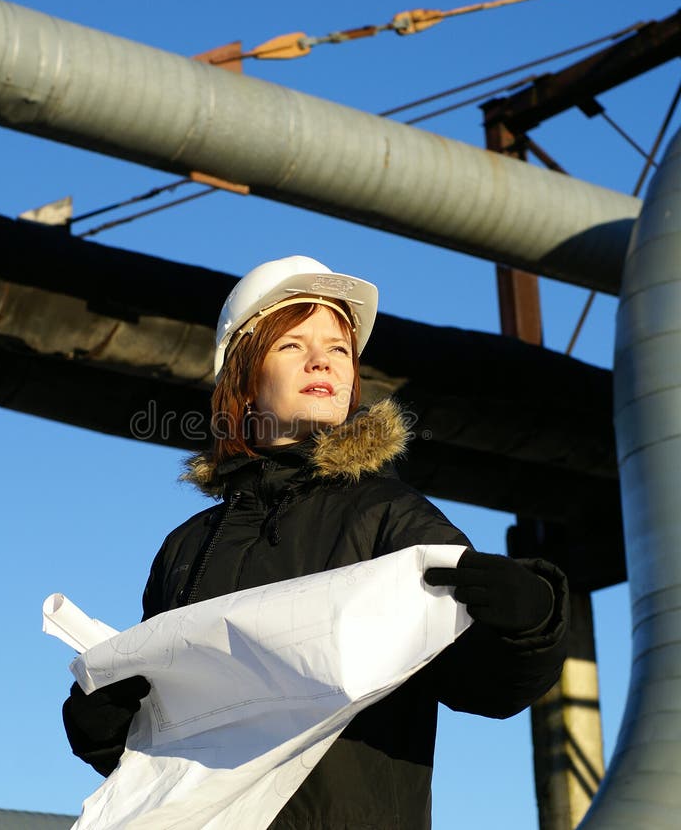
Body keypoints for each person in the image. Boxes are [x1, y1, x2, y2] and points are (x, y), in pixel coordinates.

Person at [63, 256, 569, 829]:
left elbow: (484, 685)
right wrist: (105, 727)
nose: (321, 360)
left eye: (338, 348)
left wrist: (529, 622)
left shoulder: (389, 518)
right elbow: (171, 754)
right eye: (292, 344)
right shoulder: (185, 550)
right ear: (244, 381)